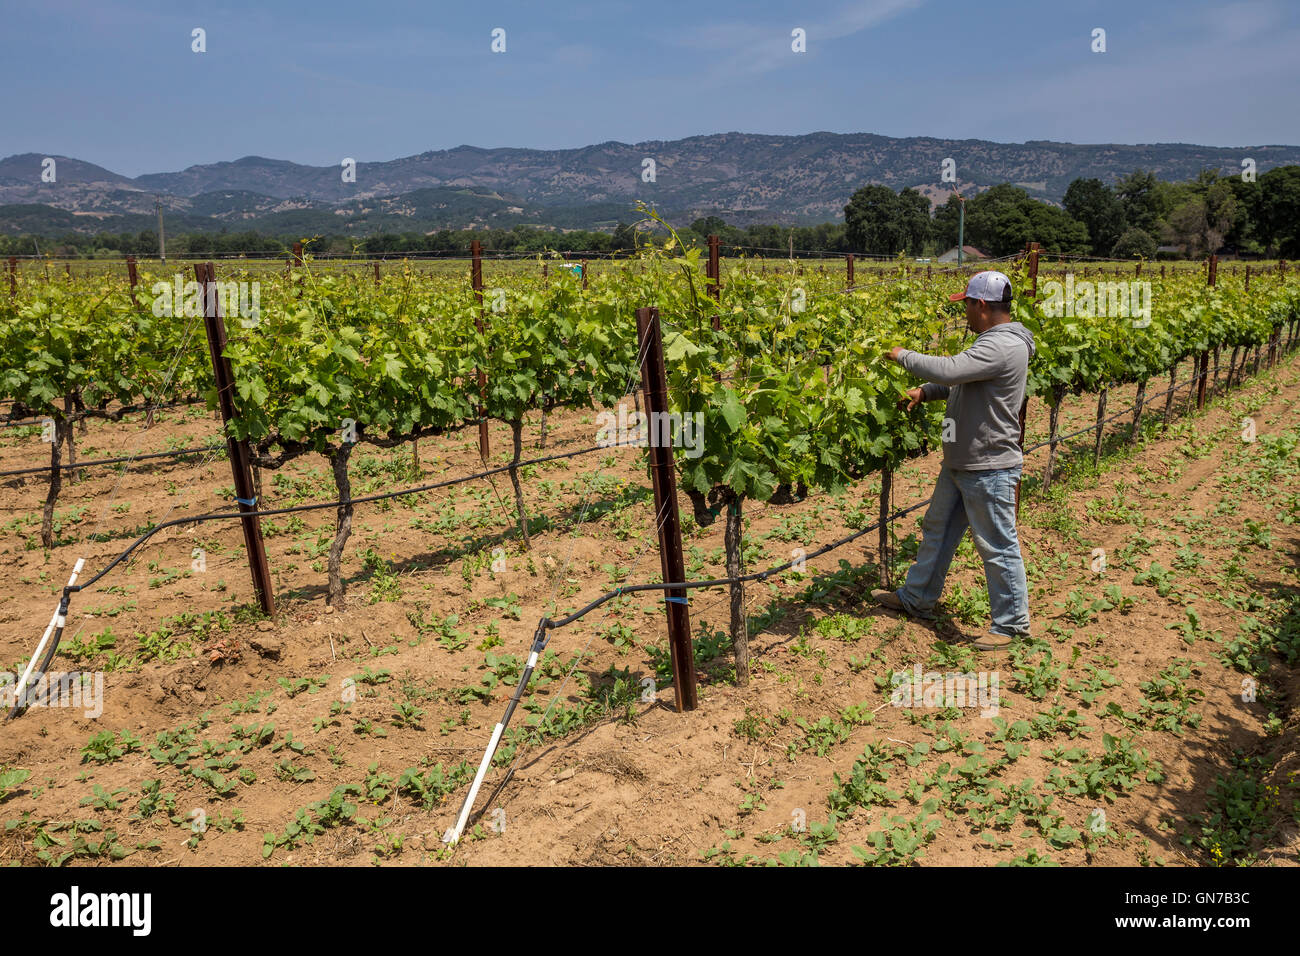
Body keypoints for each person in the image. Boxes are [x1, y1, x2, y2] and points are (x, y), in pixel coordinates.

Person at [873, 270, 1036, 650]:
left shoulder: (1002, 345)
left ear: (980, 305)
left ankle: (1011, 625)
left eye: (965, 303)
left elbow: (951, 369)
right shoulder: (992, 342)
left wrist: (902, 356)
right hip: (963, 461)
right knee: (938, 529)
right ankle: (917, 598)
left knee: (996, 544)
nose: (962, 310)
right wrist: (925, 392)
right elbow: (958, 382)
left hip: (989, 465)